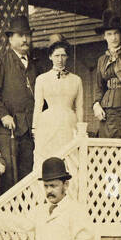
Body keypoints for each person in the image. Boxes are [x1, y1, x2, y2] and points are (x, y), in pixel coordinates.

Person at [0, 14, 39, 186]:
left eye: (28, 35)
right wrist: (3, 116)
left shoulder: (35, 64)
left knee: (27, 174)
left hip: (29, 130)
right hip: (8, 130)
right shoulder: (0, 61)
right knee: (9, 176)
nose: (25, 39)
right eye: (20, 35)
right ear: (10, 38)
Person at [33, 39, 86, 174]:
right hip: (48, 123)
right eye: (56, 55)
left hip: (69, 122)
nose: (60, 59)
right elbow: (38, 105)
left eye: (63, 55)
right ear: (50, 57)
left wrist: (80, 128)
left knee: (70, 159)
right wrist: (35, 128)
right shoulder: (42, 79)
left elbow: (79, 107)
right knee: (48, 157)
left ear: (67, 57)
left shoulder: (76, 80)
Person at [92, 14, 121, 138]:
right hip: (107, 110)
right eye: (109, 34)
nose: (114, 37)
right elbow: (99, 86)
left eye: (116, 33)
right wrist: (96, 104)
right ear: (104, 36)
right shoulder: (102, 60)